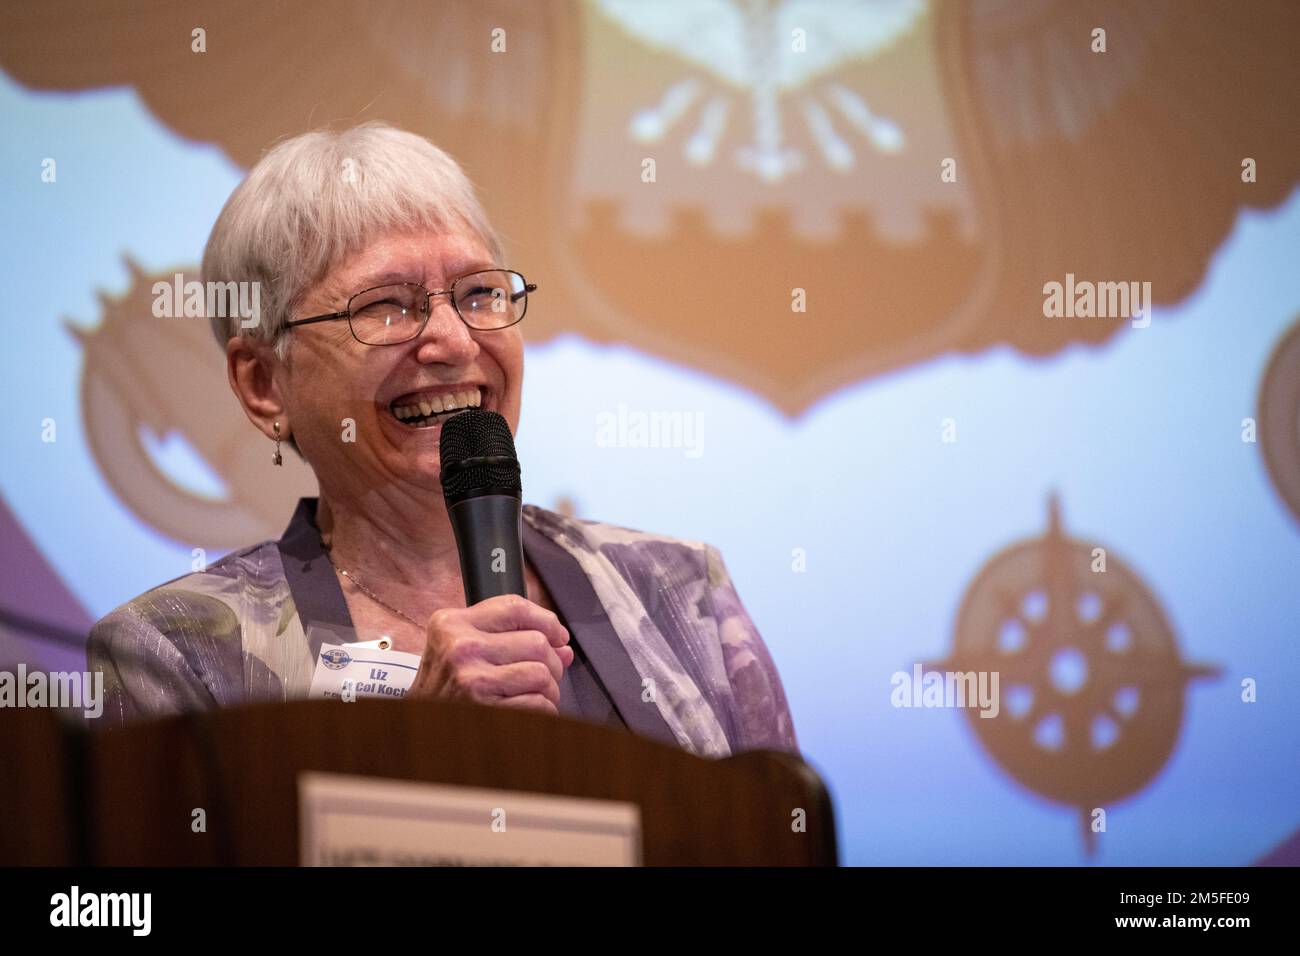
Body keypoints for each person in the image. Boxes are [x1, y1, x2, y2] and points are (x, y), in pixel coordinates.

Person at [86, 122, 797, 758]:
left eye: (479, 294)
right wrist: (418, 752)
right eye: (387, 306)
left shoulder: (683, 594)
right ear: (264, 382)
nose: (454, 341)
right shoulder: (176, 656)